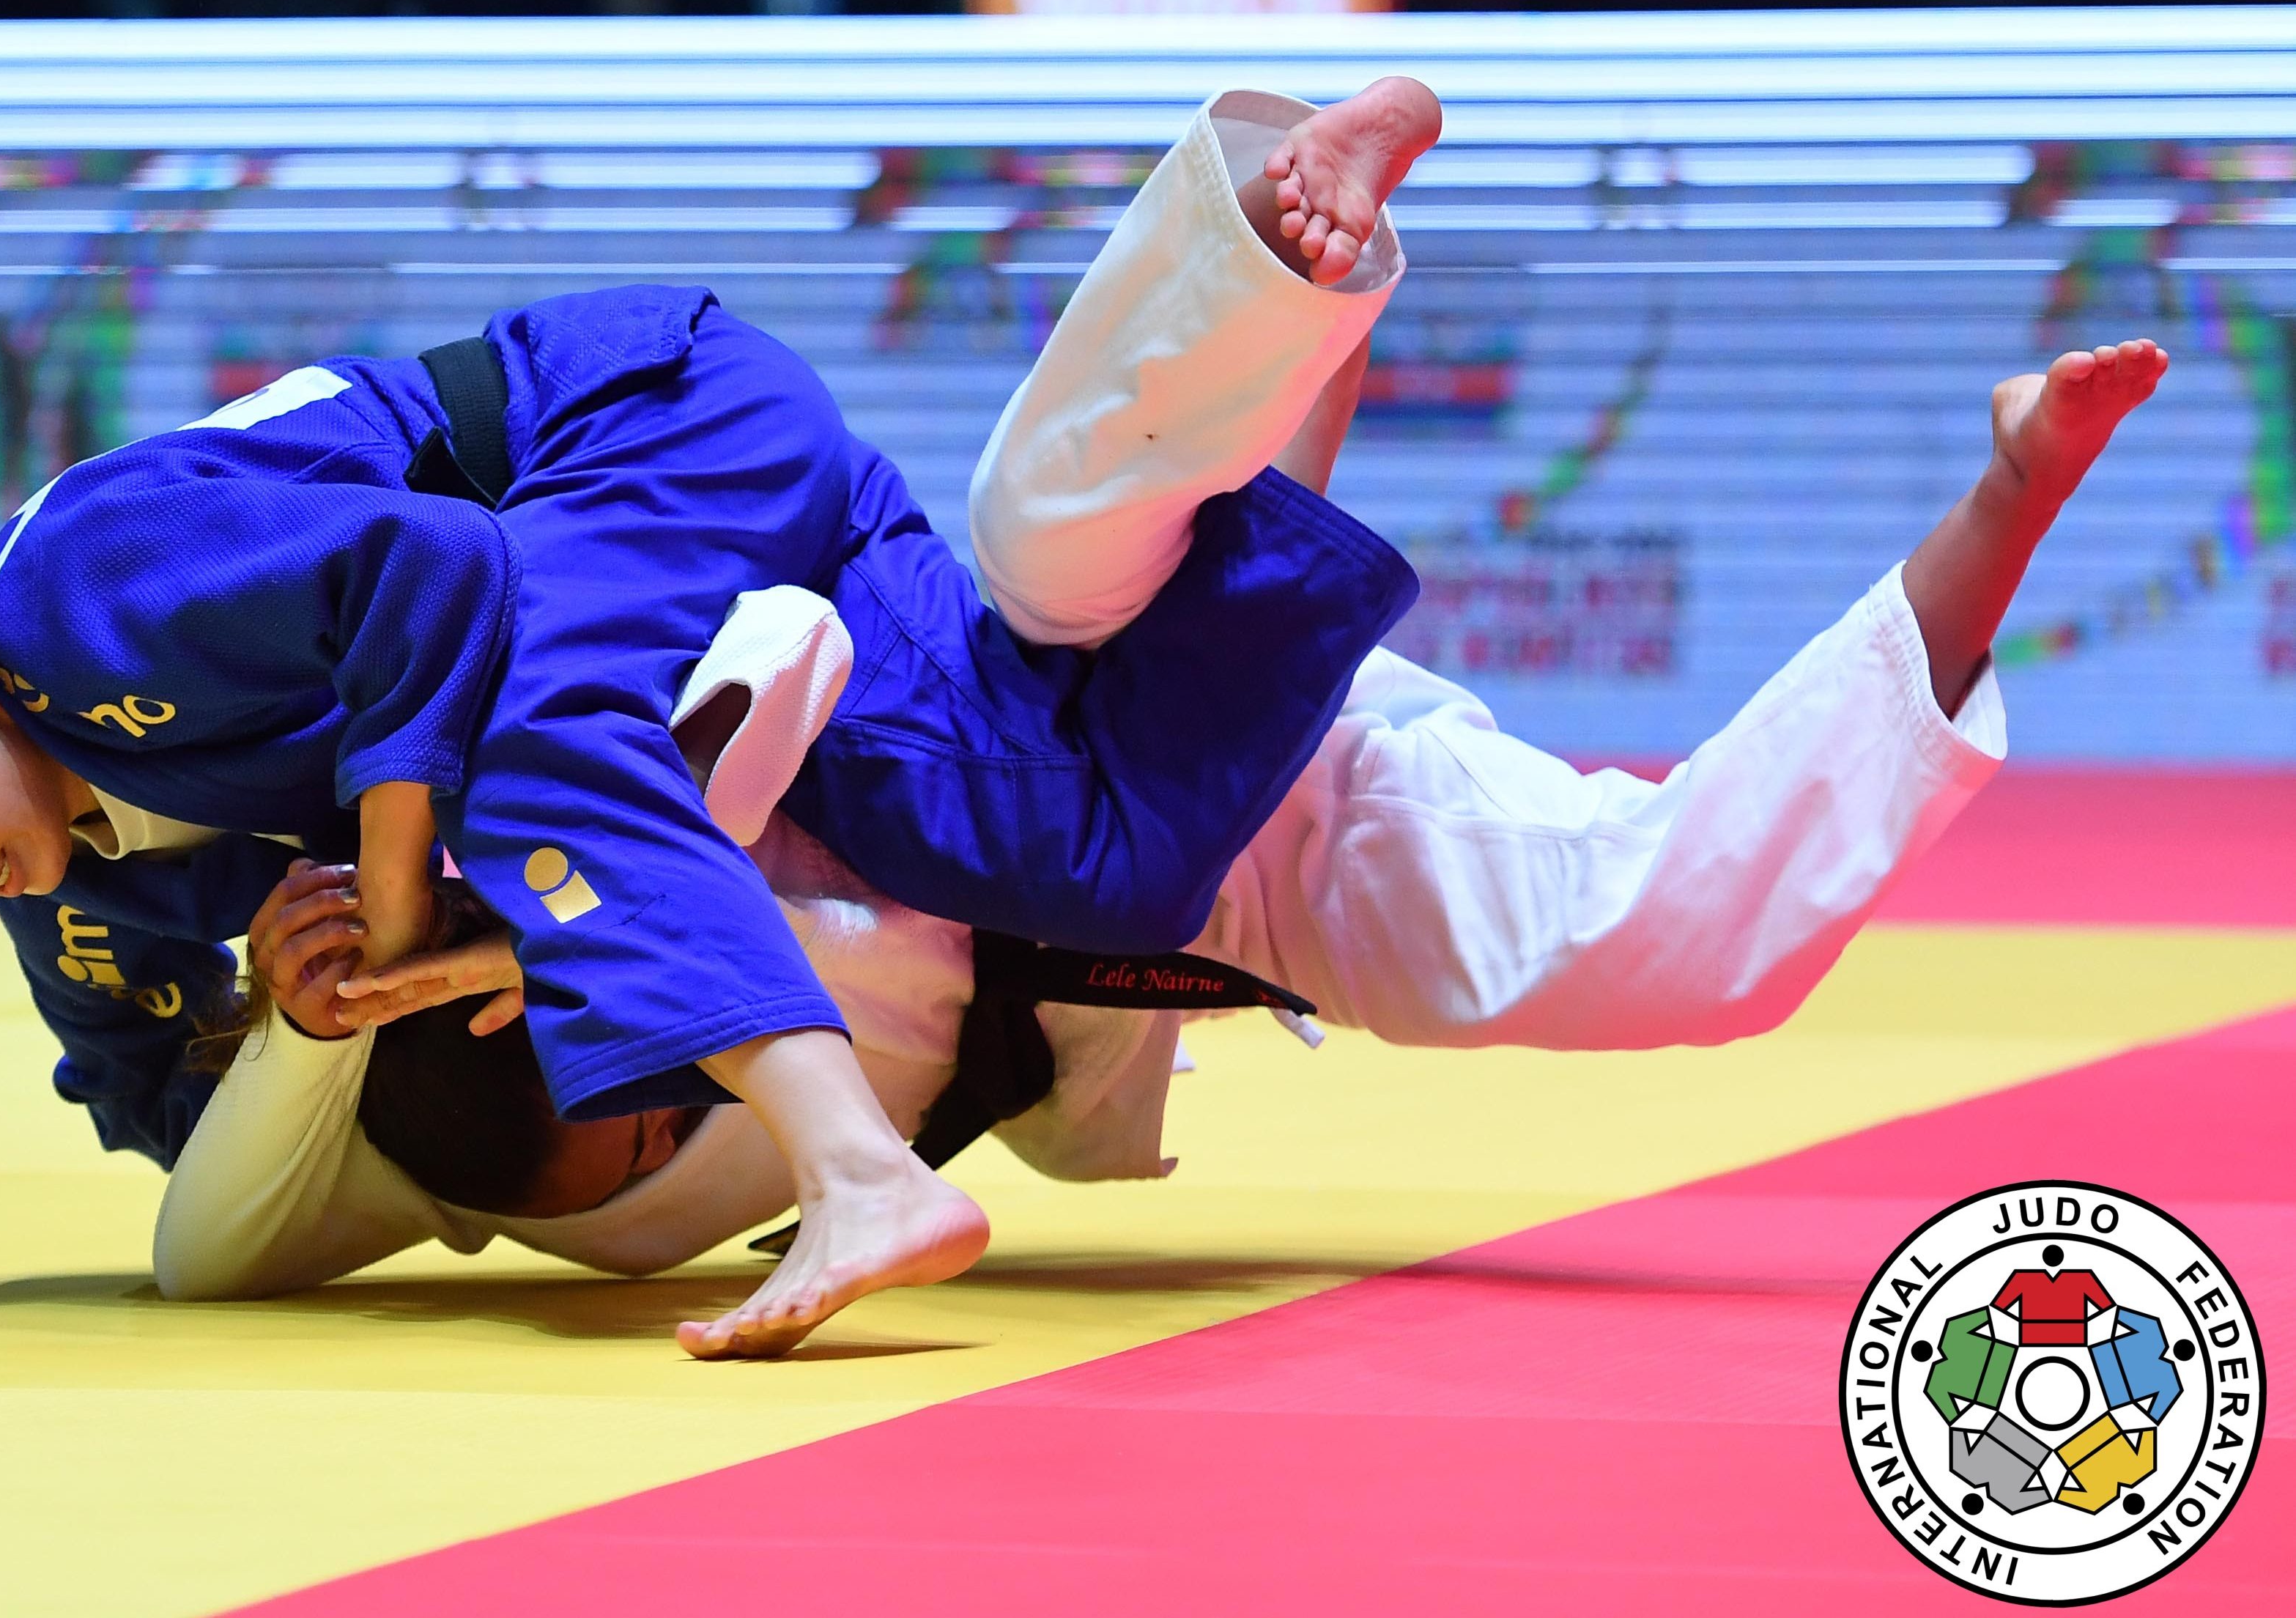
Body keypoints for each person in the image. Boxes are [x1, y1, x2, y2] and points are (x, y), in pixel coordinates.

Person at [144, 81, 2169, 1304]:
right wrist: (311, 1023)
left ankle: (1283, 256)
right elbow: (204, 1255)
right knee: (1690, 950)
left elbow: (751, 654)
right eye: (638, 1125)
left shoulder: (542, 806)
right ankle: (2010, 490)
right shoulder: (465, 1186)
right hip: (1196, 883)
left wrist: (383, 919)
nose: (668, 1095)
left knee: (1055, 556)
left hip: (964, 697)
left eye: (630, 1076)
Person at [0, 83, 1444, 1358]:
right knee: (1088, 851)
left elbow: (443, 582)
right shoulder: (66, 893)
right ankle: (1286, 297)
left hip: (639, 424)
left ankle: (858, 1177)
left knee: (546, 746)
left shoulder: (78, 589)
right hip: (709, 546)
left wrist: (400, 905)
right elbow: (183, 1132)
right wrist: (294, 1012)